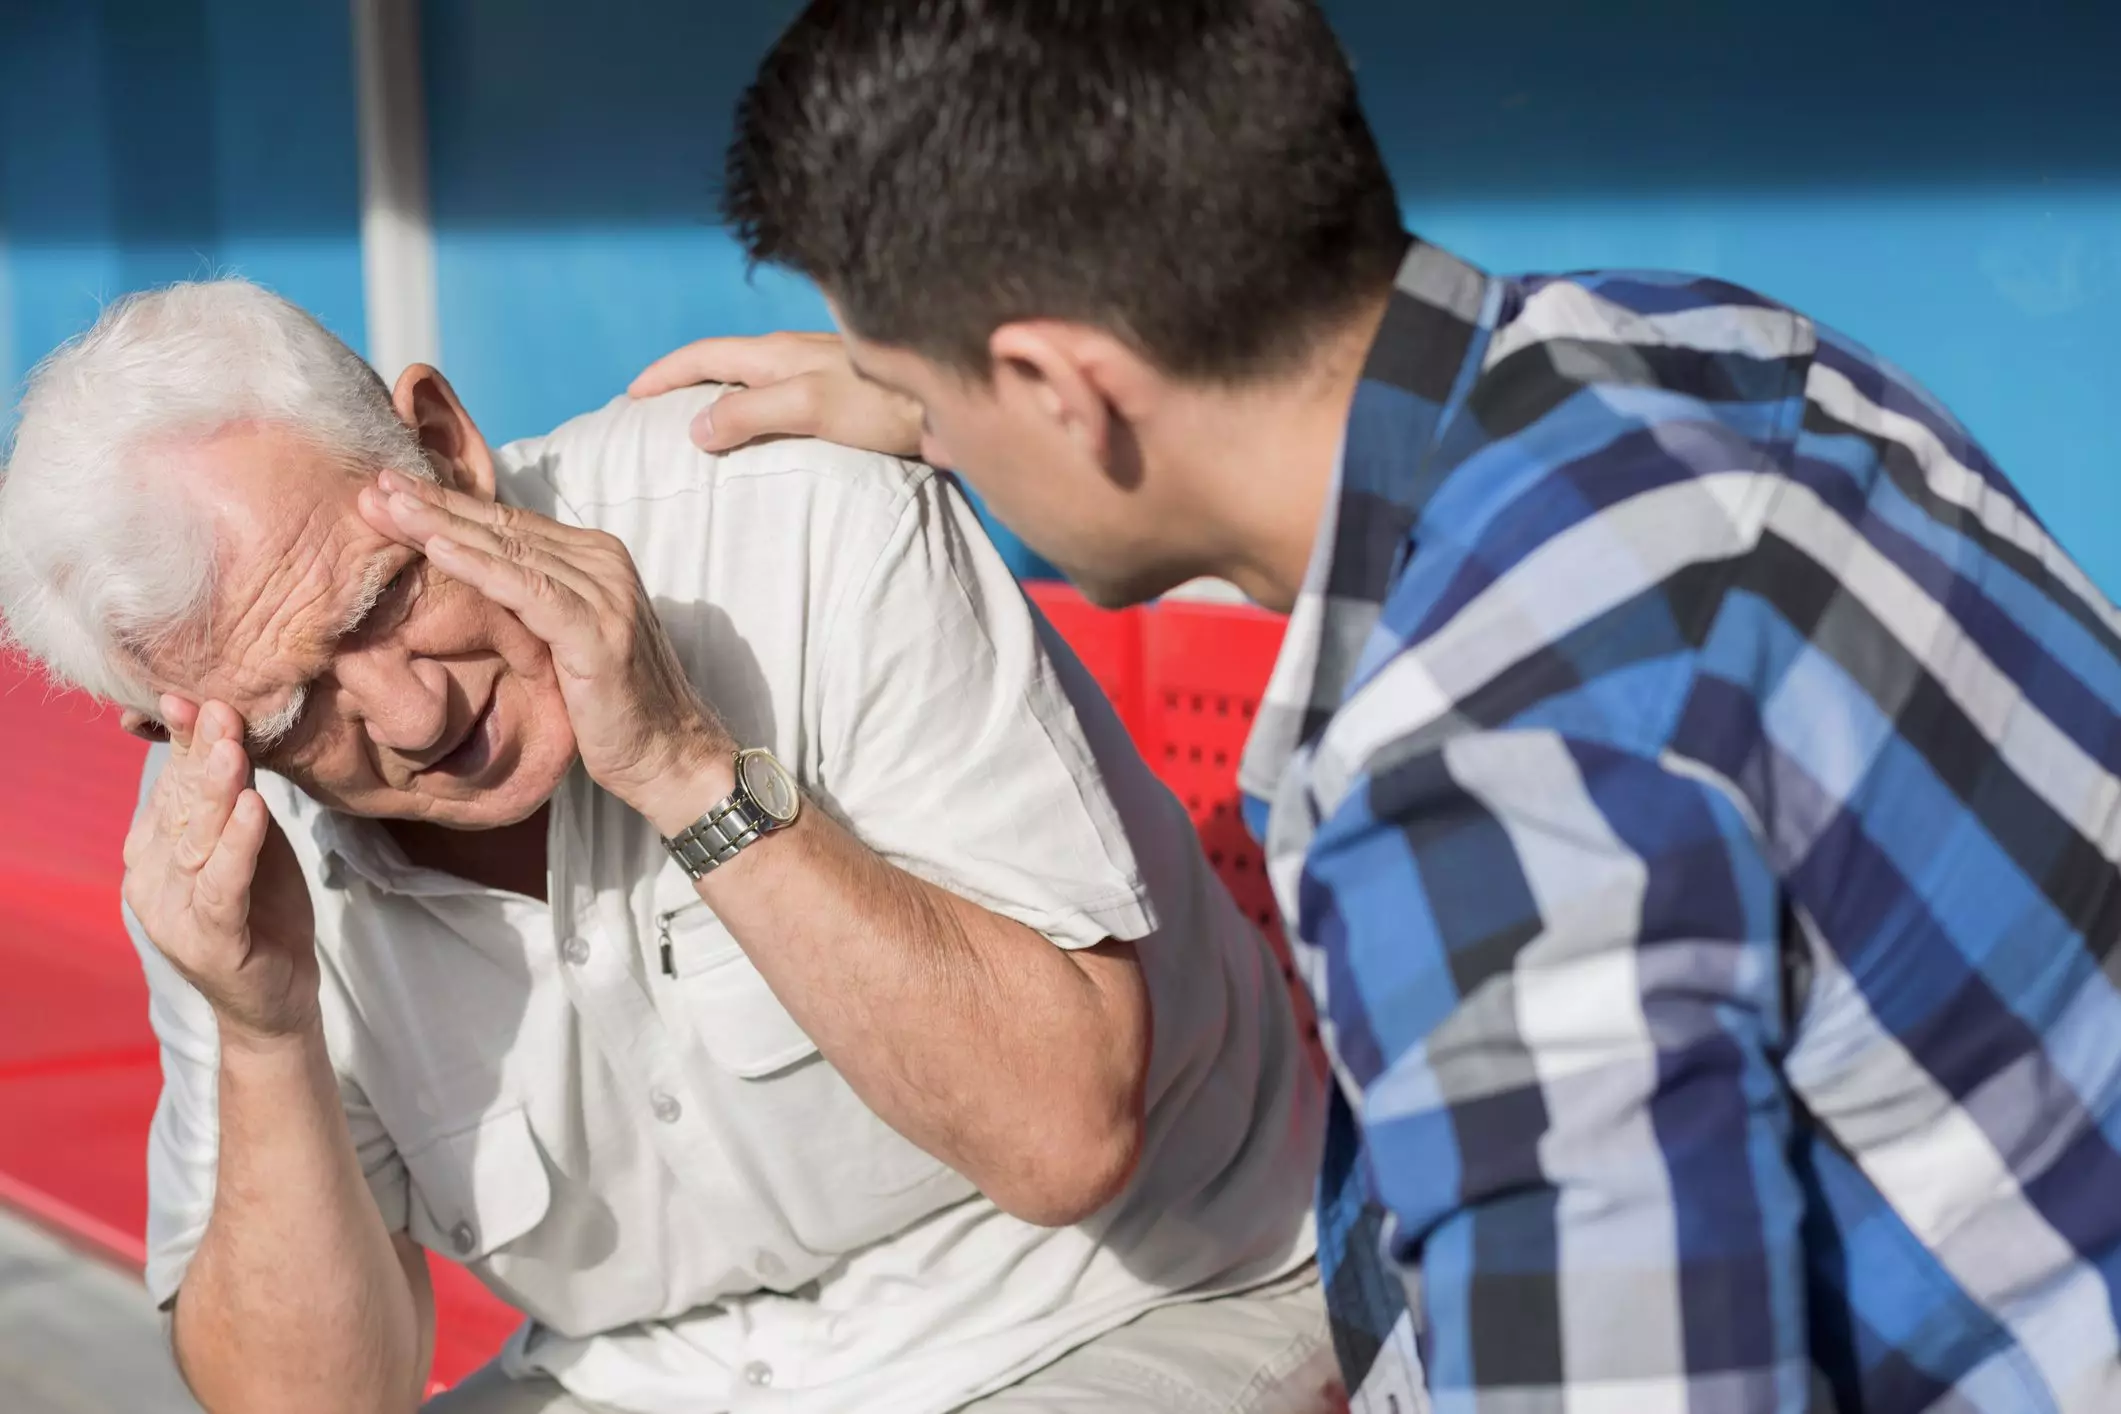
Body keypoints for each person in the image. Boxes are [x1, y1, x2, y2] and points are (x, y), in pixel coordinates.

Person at [626, 0, 2121, 1408]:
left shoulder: (1475, 786)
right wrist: (941, 401)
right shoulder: (1701, 351)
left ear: (1069, 387)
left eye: (930, 392)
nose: (924, 427)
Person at [0, 279, 1340, 1414]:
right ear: (168, 725)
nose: (410, 711)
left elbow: (1064, 1140)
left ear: (443, 443)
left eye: (393, 593)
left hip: (1114, 1301)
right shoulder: (222, 838)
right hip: (653, 1375)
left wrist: (684, 768)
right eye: (297, 708)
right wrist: (267, 1023)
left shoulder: (799, 516)